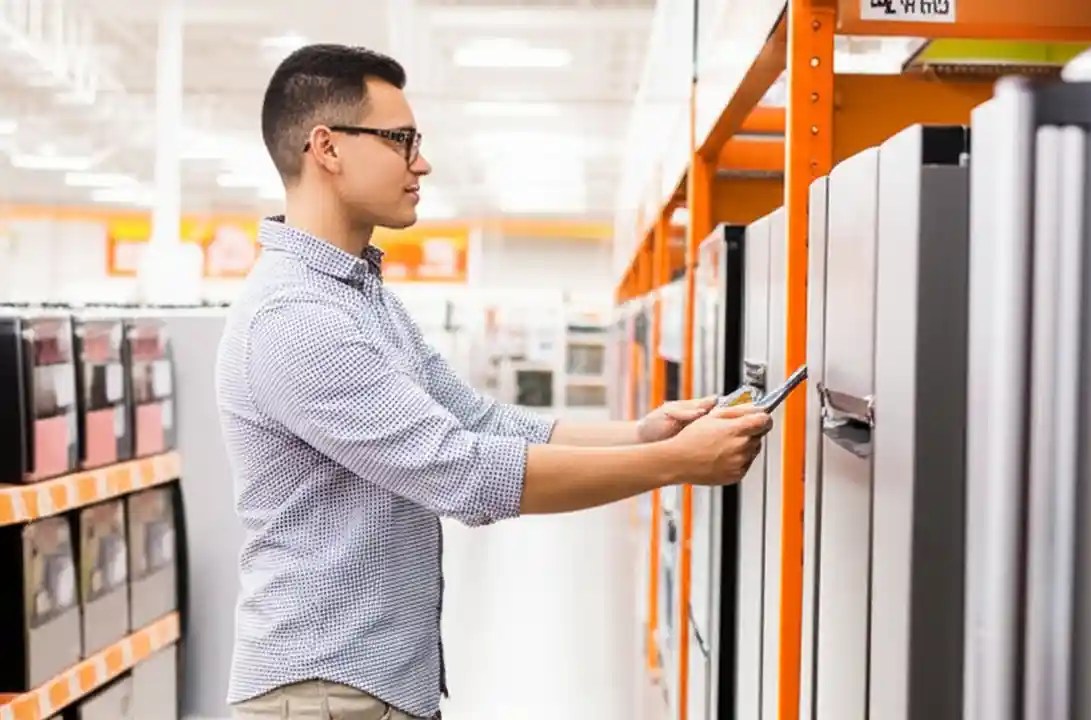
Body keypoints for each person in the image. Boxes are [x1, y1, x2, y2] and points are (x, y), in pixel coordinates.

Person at [213, 43, 771, 720]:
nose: (421, 161)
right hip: (325, 697)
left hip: (365, 689)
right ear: (326, 148)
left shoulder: (365, 298)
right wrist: (674, 464)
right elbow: (463, 472)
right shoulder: (296, 317)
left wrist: (641, 433)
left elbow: (478, 422)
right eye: (401, 140)